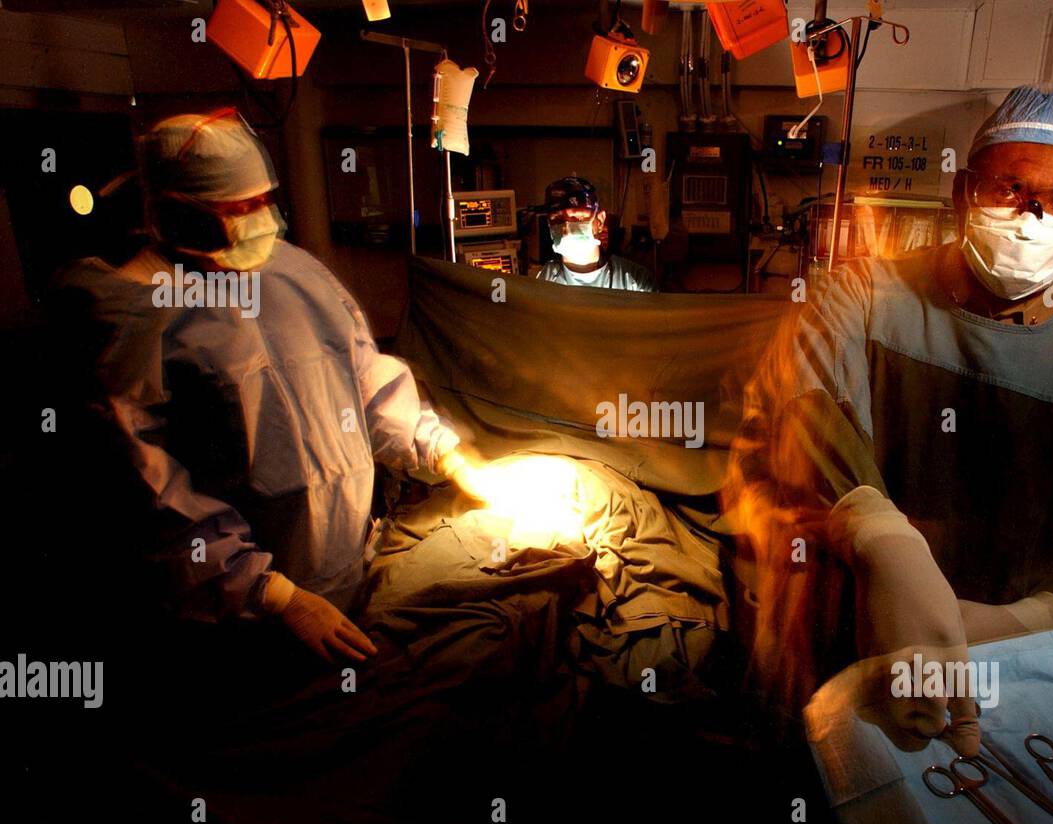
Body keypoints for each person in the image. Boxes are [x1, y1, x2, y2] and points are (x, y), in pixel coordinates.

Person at [725, 86, 1053, 755]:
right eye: (1009, 188)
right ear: (963, 191)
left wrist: (1014, 621)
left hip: (1003, 681)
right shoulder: (862, 296)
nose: (1034, 217)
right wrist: (884, 542)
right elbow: (800, 413)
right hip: (831, 642)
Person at [55, 110, 481, 667]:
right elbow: (150, 491)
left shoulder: (296, 274)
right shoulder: (132, 317)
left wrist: (443, 452)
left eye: (264, 201)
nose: (262, 220)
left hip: (345, 573)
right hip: (232, 616)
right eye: (238, 210)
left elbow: (365, 381)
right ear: (177, 212)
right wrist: (274, 595)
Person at [533, 175, 655, 291]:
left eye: (578, 218)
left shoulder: (635, 283)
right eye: (557, 219)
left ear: (600, 221)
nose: (566, 229)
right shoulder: (544, 283)